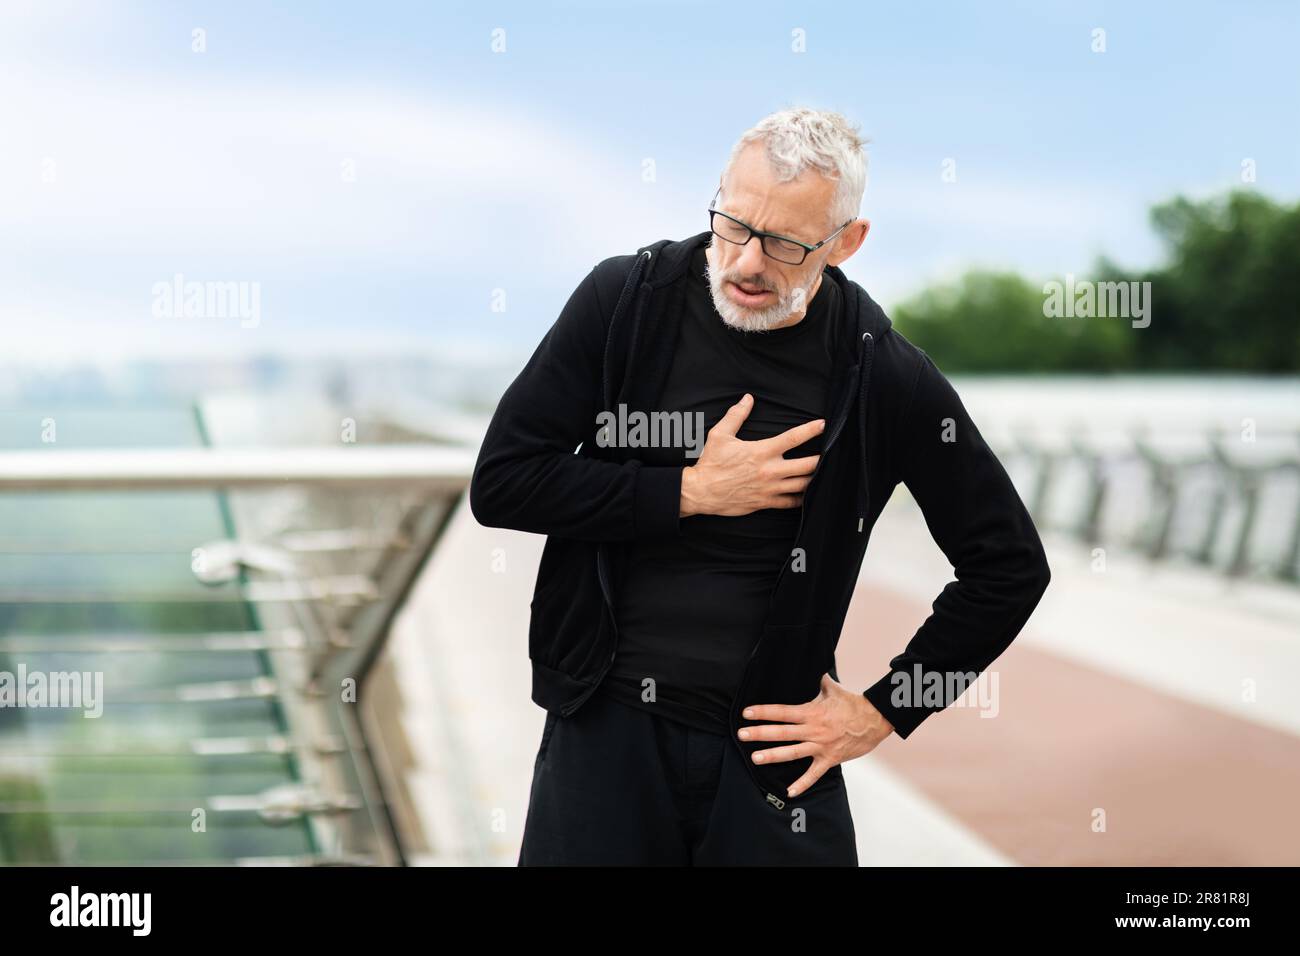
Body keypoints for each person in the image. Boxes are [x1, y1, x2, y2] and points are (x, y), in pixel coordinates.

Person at [470, 107, 1051, 865]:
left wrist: (883, 712)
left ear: (846, 242)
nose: (746, 263)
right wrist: (686, 492)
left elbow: (1009, 567)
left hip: (774, 758)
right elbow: (505, 482)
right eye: (734, 226)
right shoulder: (626, 302)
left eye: (784, 244)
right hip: (605, 731)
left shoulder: (884, 374)